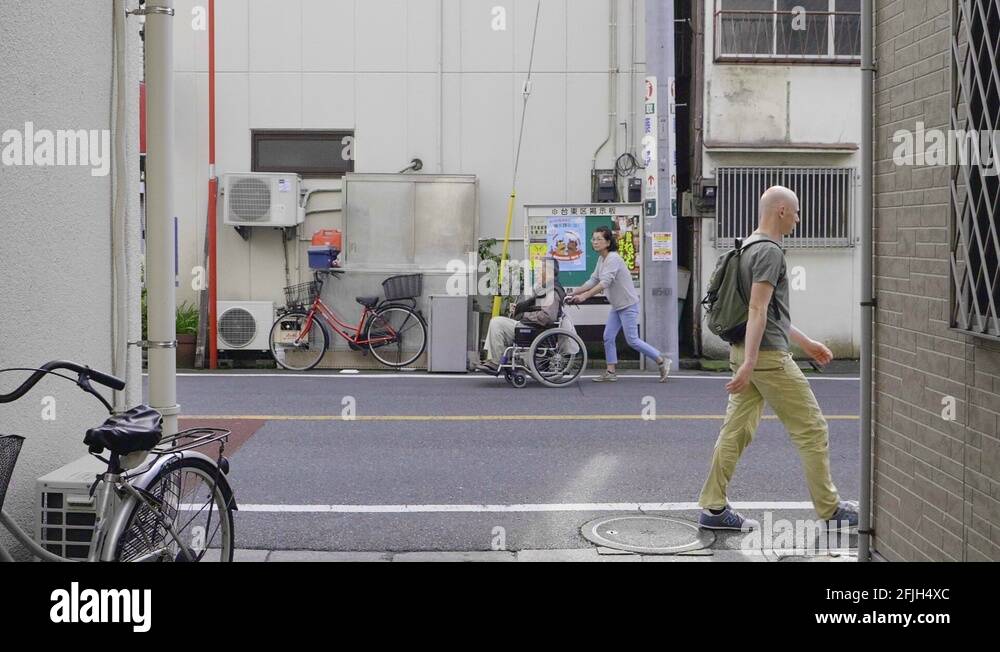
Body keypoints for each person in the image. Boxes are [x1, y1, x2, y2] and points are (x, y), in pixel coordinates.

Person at [696, 186, 859, 531]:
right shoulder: (770, 252)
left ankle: (713, 509)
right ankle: (831, 512)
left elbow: (767, 314)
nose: (798, 220)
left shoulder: (745, 247)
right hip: (766, 358)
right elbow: (757, 309)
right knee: (812, 429)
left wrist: (806, 342)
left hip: (745, 350)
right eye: (797, 212)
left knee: (735, 431)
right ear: (782, 210)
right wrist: (753, 362)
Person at [566, 226, 670, 382]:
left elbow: (604, 283)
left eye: (599, 239)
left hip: (628, 305)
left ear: (608, 242)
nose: (595, 242)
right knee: (608, 337)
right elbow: (593, 280)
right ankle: (611, 371)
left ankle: (661, 359)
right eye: (593, 239)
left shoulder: (613, 258)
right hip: (617, 306)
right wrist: (574, 293)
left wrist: (584, 297)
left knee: (632, 340)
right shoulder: (602, 259)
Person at [476, 258, 574, 373]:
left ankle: (496, 361)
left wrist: (524, 314)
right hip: (532, 327)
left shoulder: (552, 292)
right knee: (496, 322)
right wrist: (522, 309)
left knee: (497, 322)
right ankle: (494, 359)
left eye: (539, 269)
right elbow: (540, 309)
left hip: (534, 329)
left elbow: (547, 317)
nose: (537, 272)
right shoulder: (546, 289)